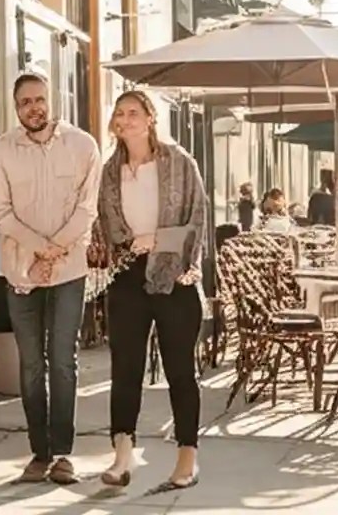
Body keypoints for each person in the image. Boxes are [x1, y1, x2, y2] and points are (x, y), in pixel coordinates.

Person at [0, 72, 102, 485]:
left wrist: (55, 251)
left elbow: (88, 208)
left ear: (51, 101)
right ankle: (39, 453)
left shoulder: (83, 146)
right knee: (31, 364)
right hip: (22, 272)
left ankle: (64, 454)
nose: (34, 108)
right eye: (25, 102)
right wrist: (39, 250)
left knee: (64, 363)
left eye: (39, 100)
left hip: (69, 271)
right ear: (16, 109)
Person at [97, 89, 207, 490]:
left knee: (180, 371)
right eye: (119, 113)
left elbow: (197, 219)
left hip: (174, 274)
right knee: (125, 369)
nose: (124, 119)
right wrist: (134, 242)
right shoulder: (111, 172)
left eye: (133, 112)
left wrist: (156, 240)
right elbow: (110, 229)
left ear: (149, 118)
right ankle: (122, 457)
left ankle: (187, 458)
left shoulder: (179, 163)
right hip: (128, 276)